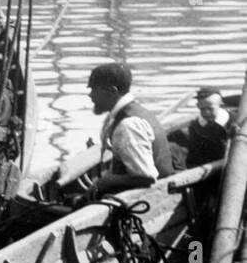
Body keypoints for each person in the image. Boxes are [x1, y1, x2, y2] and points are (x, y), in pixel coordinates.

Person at [84, 62, 174, 196]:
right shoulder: (135, 111)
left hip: (151, 197)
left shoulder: (128, 124)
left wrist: (106, 181)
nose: (90, 96)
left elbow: (146, 177)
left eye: (94, 90)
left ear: (112, 91)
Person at [186, 87, 232, 168]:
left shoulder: (232, 122)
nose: (206, 113)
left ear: (221, 105)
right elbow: (194, 154)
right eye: (202, 109)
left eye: (211, 109)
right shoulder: (195, 126)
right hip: (207, 166)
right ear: (198, 106)